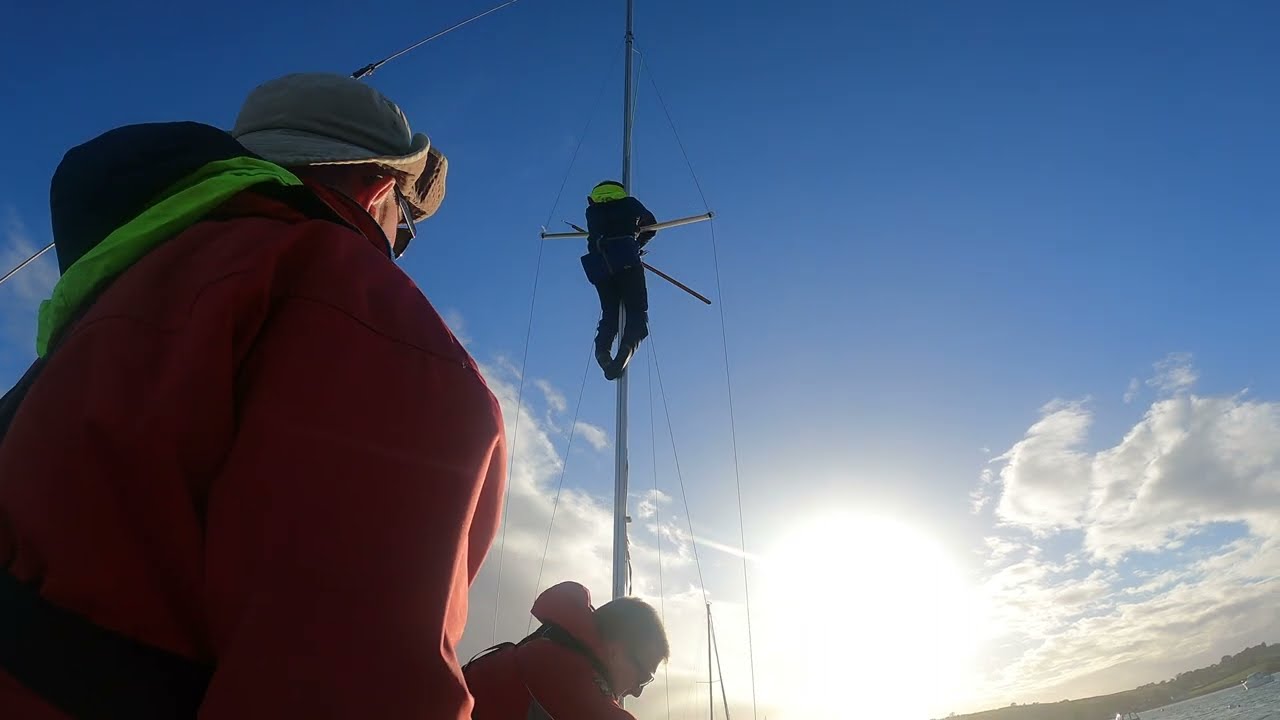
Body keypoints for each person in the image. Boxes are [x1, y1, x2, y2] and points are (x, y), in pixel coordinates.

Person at [0, 73, 506, 720]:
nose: (397, 252)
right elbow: (362, 681)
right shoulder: (358, 312)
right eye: (403, 227)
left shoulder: (113, 301)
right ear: (378, 189)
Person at [464, 581, 669, 720]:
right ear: (617, 651)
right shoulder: (566, 674)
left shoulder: (551, 649)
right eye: (642, 678)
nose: (637, 692)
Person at [581, 180, 657, 380]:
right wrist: (637, 245)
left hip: (598, 263)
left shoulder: (591, 211)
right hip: (625, 258)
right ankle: (623, 355)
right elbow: (651, 225)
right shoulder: (629, 203)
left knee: (610, 314)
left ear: (592, 197)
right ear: (621, 192)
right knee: (637, 312)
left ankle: (602, 353)